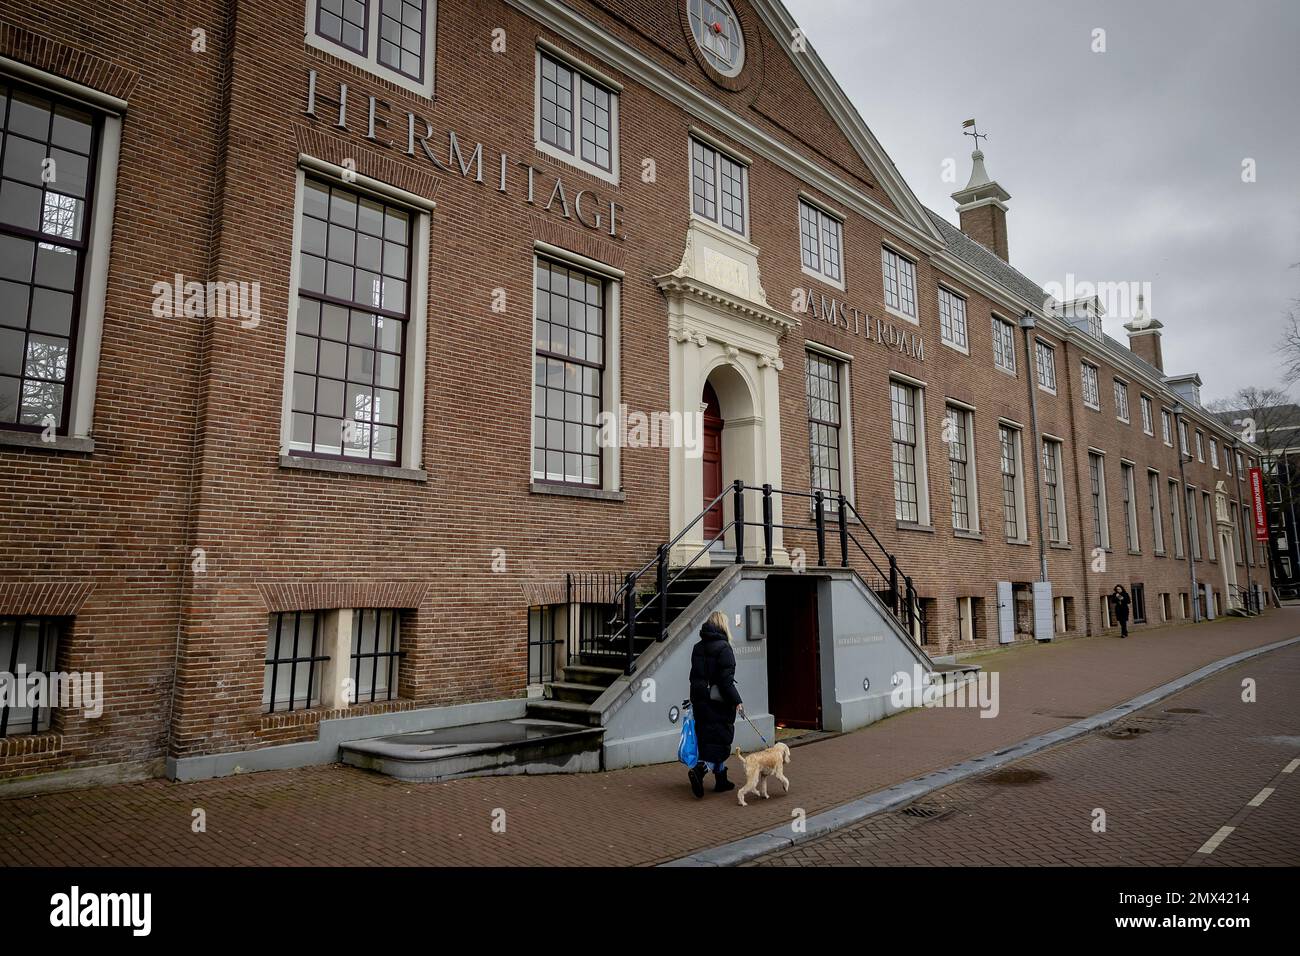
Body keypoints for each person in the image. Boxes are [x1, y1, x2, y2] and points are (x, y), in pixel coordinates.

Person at [687, 610, 743, 797]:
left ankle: (721, 779)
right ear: (723, 625)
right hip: (718, 703)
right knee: (719, 737)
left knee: (710, 739)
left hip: (700, 700)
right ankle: (701, 769)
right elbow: (726, 681)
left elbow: (694, 676)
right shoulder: (724, 648)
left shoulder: (697, 647)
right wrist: (737, 701)